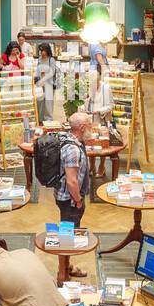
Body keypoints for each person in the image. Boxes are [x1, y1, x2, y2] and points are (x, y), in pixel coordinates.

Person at [54, 113, 92, 276]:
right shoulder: (72, 150)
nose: (92, 128)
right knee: (67, 236)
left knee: (67, 233)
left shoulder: (69, 139)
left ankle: (67, 266)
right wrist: (77, 201)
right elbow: (72, 181)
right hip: (70, 200)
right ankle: (62, 273)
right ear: (82, 127)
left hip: (67, 198)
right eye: (90, 125)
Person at [34, 43, 62, 123]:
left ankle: (48, 119)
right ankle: (40, 118)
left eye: (43, 50)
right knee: (40, 101)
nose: (42, 52)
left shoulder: (51, 59)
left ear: (47, 51)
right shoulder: (39, 59)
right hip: (40, 84)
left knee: (48, 102)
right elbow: (38, 70)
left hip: (49, 83)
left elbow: (52, 71)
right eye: (41, 50)